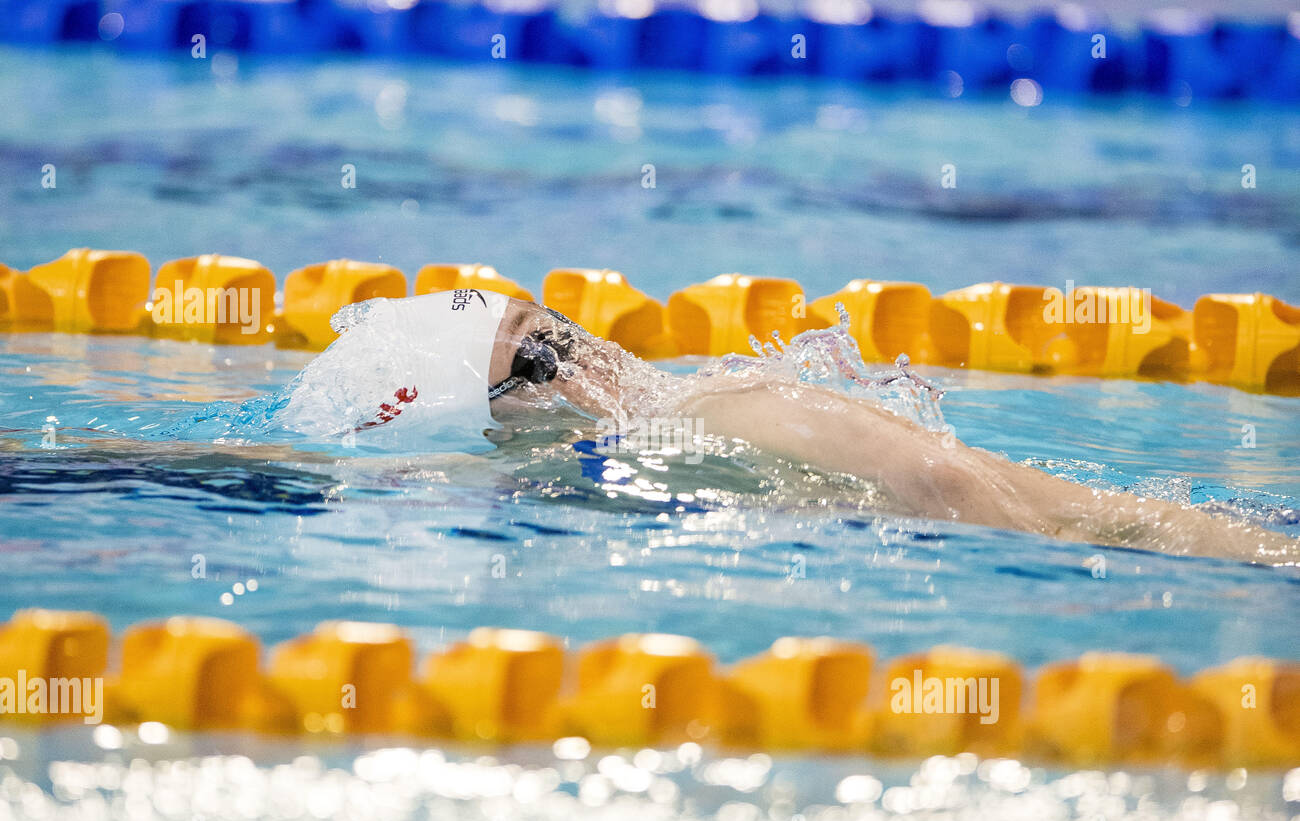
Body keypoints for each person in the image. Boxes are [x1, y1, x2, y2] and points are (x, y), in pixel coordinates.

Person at [281, 289, 1300, 566]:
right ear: (490, 426)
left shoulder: (717, 408)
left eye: (555, 323)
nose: (576, 351)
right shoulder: (649, 436)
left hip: (1146, 547)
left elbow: (939, 482)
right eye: (537, 357)